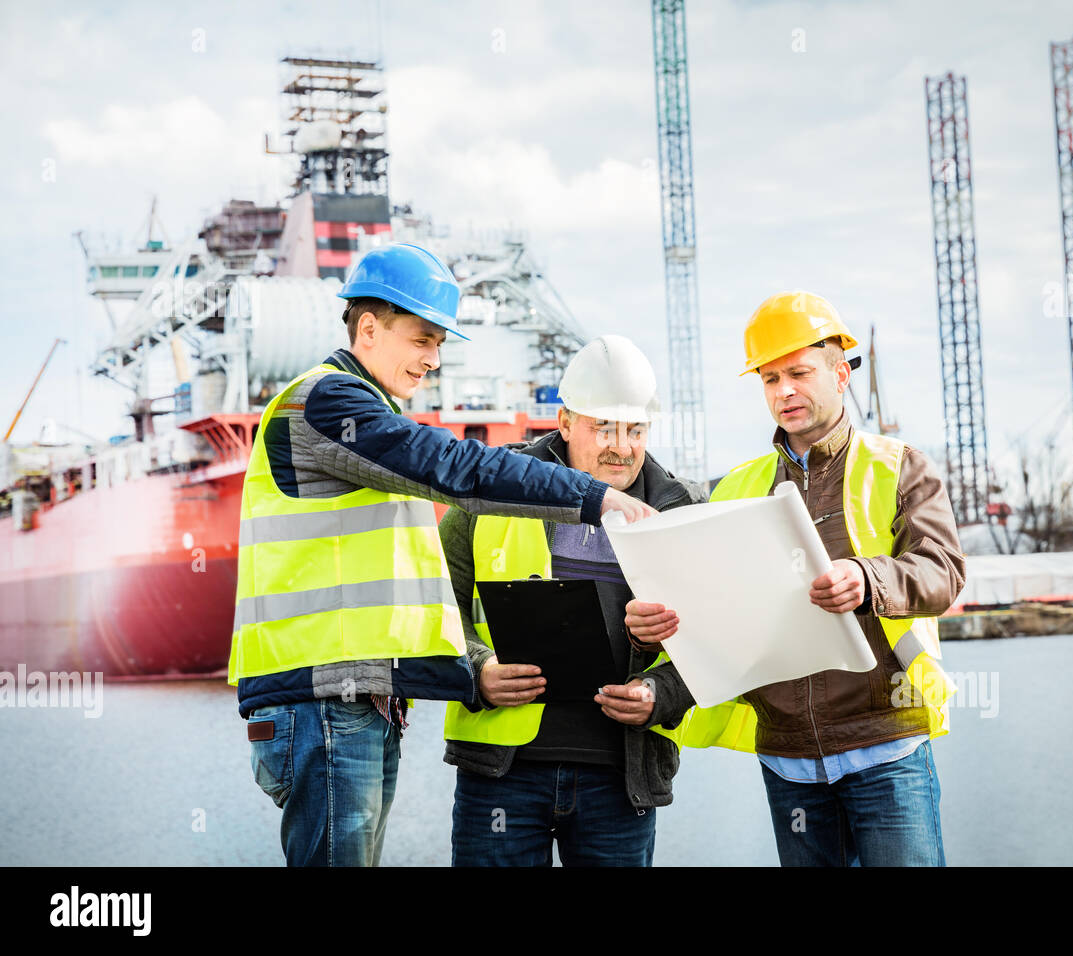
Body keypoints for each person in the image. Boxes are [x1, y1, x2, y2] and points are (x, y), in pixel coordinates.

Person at [230, 243, 655, 866]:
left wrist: (460, 674)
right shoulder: (328, 404)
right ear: (368, 329)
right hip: (321, 699)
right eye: (422, 339)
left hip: (356, 698)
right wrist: (592, 496)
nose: (433, 358)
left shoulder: (366, 415)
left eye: (440, 344)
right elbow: (454, 466)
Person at [626, 290, 966, 867]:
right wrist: (650, 629)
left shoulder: (898, 465)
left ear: (841, 374)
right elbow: (712, 611)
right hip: (788, 758)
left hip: (886, 742)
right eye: (770, 379)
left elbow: (944, 571)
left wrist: (866, 578)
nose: (784, 391)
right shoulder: (738, 487)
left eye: (799, 373)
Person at [439, 334, 707, 867]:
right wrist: (477, 670)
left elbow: (714, 637)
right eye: (603, 426)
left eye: (635, 429)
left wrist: (660, 693)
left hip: (622, 778)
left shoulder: (680, 510)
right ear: (563, 422)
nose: (621, 447)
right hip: (502, 773)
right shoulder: (491, 487)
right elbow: (435, 604)